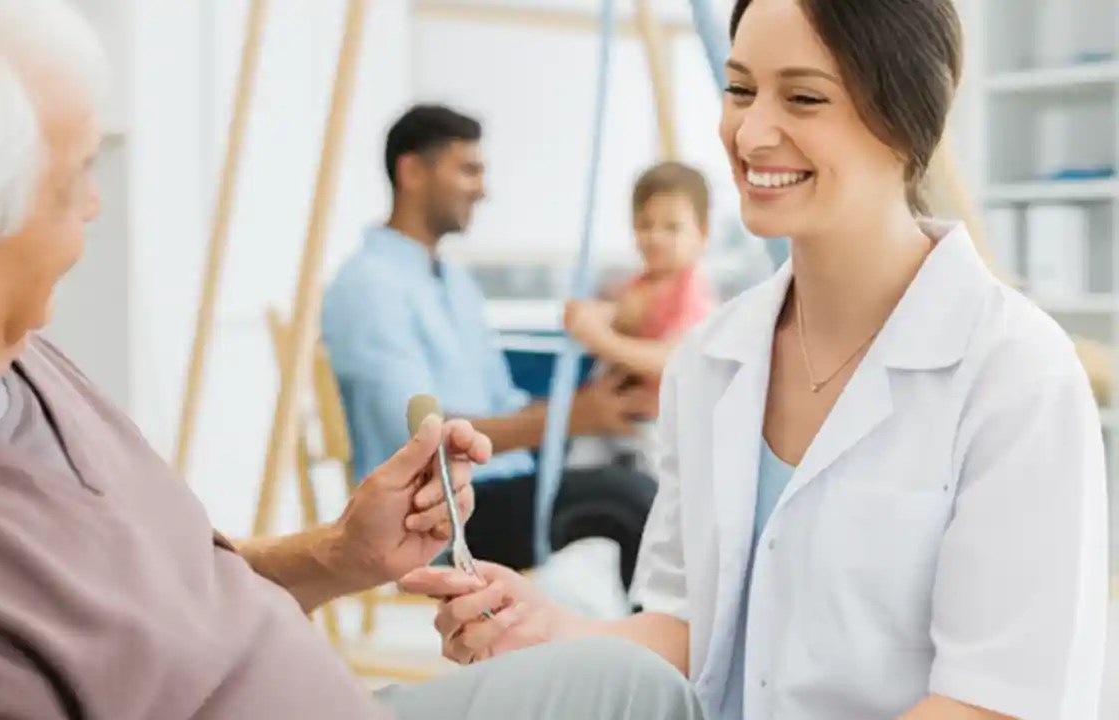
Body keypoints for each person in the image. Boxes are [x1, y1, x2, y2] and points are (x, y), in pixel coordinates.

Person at [0, 2, 703, 718]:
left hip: (333, 693)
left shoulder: (21, 359)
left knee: (637, 683)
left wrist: (338, 554)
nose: (98, 206)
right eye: (68, 185)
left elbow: (172, 596)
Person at [400, 0, 1110, 718]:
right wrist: (558, 631)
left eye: (802, 98)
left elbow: (993, 703)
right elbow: (693, 633)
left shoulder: (1015, 375)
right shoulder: (709, 362)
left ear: (904, 115)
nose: (751, 131)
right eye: (740, 89)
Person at [323, 104, 658, 592]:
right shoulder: (367, 287)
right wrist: (571, 417)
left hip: (500, 484)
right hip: (438, 515)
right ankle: (652, 661)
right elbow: (419, 439)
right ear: (412, 171)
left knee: (654, 482)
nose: (483, 188)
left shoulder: (455, 283)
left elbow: (504, 405)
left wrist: (597, 404)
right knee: (626, 498)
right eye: (467, 170)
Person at [564, 160, 718, 382]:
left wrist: (603, 341)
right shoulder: (645, 283)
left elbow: (676, 360)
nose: (655, 237)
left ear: (702, 233)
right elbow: (627, 315)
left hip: (669, 413)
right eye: (645, 225)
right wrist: (597, 314)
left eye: (671, 227)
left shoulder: (693, 293)